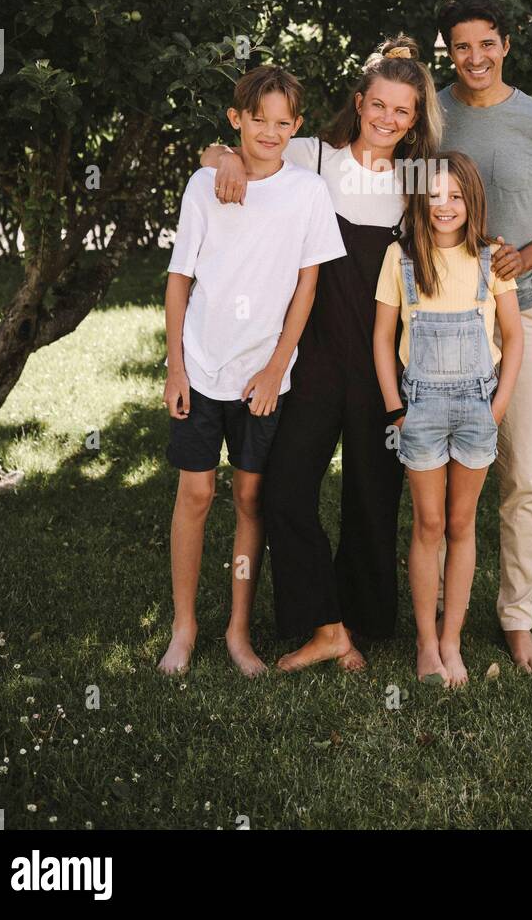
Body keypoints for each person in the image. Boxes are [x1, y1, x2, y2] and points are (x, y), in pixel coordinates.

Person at [201, 36, 442, 671]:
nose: (389, 119)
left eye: (404, 112)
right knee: (283, 492)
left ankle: (360, 624)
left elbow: (459, 232)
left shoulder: (419, 183)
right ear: (359, 103)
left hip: (385, 367)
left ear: (416, 121)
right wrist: (222, 154)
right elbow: (250, 150)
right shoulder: (314, 157)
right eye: (379, 105)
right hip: (311, 361)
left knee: (372, 499)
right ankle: (324, 623)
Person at [159, 65, 346, 677]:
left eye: (282, 122)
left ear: (297, 128)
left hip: (261, 379)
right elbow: (180, 279)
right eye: (257, 119)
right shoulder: (204, 184)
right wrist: (175, 367)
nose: (269, 131)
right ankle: (184, 626)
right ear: (236, 119)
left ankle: (238, 630)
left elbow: (306, 286)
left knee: (248, 497)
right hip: (203, 366)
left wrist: (275, 369)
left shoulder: (306, 192)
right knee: (196, 492)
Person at [436, 0, 532, 672]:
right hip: (439, 319)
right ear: (450, 52)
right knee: (436, 479)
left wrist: (529, 255)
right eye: (461, 47)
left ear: (506, 45)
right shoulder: (431, 115)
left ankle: (517, 619)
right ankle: (441, 624)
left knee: (521, 471)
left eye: (486, 44)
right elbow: (358, 154)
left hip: (516, 315)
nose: (475, 58)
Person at [374, 152, 523, 687]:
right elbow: (382, 339)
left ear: (472, 201)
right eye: (434, 196)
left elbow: (514, 336)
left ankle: (452, 640)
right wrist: (395, 409)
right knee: (429, 525)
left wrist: (498, 406)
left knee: (462, 525)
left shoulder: (490, 258)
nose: (444, 206)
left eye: (456, 196)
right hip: (420, 412)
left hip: (476, 410)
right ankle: (424, 642)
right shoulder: (402, 258)